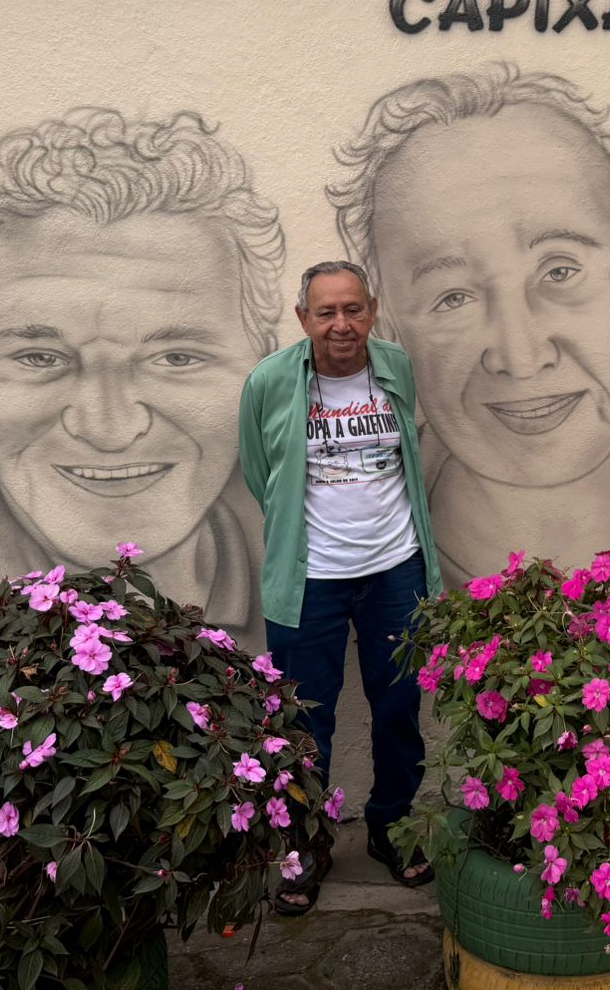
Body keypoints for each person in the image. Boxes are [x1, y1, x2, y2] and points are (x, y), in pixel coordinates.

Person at [0, 108, 282, 647]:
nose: (108, 428)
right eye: (40, 358)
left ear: (259, 373)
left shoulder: (304, 539)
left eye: (177, 358)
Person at [325, 64, 610, 586]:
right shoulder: (351, 533)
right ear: (388, 334)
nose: (520, 357)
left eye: (560, 271)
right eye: (453, 297)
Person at [239, 259, 443, 910]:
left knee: (399, 709)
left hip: (394, 569)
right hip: (311, 580)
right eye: (326, 312)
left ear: (372, 310)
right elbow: (257, 467)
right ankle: (307, 843)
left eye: (353, 309)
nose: (341, 324)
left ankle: (392, 827)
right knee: (304, 721)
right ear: (303, 319)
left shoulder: (394, 368)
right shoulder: (270, 382)